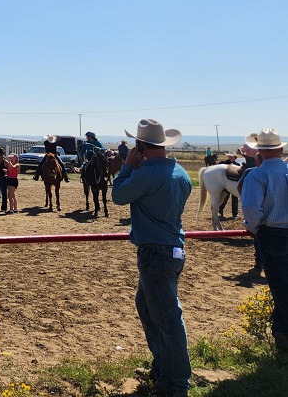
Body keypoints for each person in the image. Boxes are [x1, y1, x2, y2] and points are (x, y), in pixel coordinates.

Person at [111, 118, 191, 397]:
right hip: (172, 248)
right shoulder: (179, 172)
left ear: (141, 146)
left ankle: (175, 384)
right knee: (147, 307)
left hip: (154, 252)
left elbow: (118, 196)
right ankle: (164, 369)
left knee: (167, 318)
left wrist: (126, 167)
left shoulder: (145, 174)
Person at [240, 128, 288, 353]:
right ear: (280, 149)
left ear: (259, 151)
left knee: (280, 286)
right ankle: (281, 334)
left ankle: (282, 335)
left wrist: (254, 227)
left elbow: (250, 208)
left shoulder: (256, 175)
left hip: (273, 234)